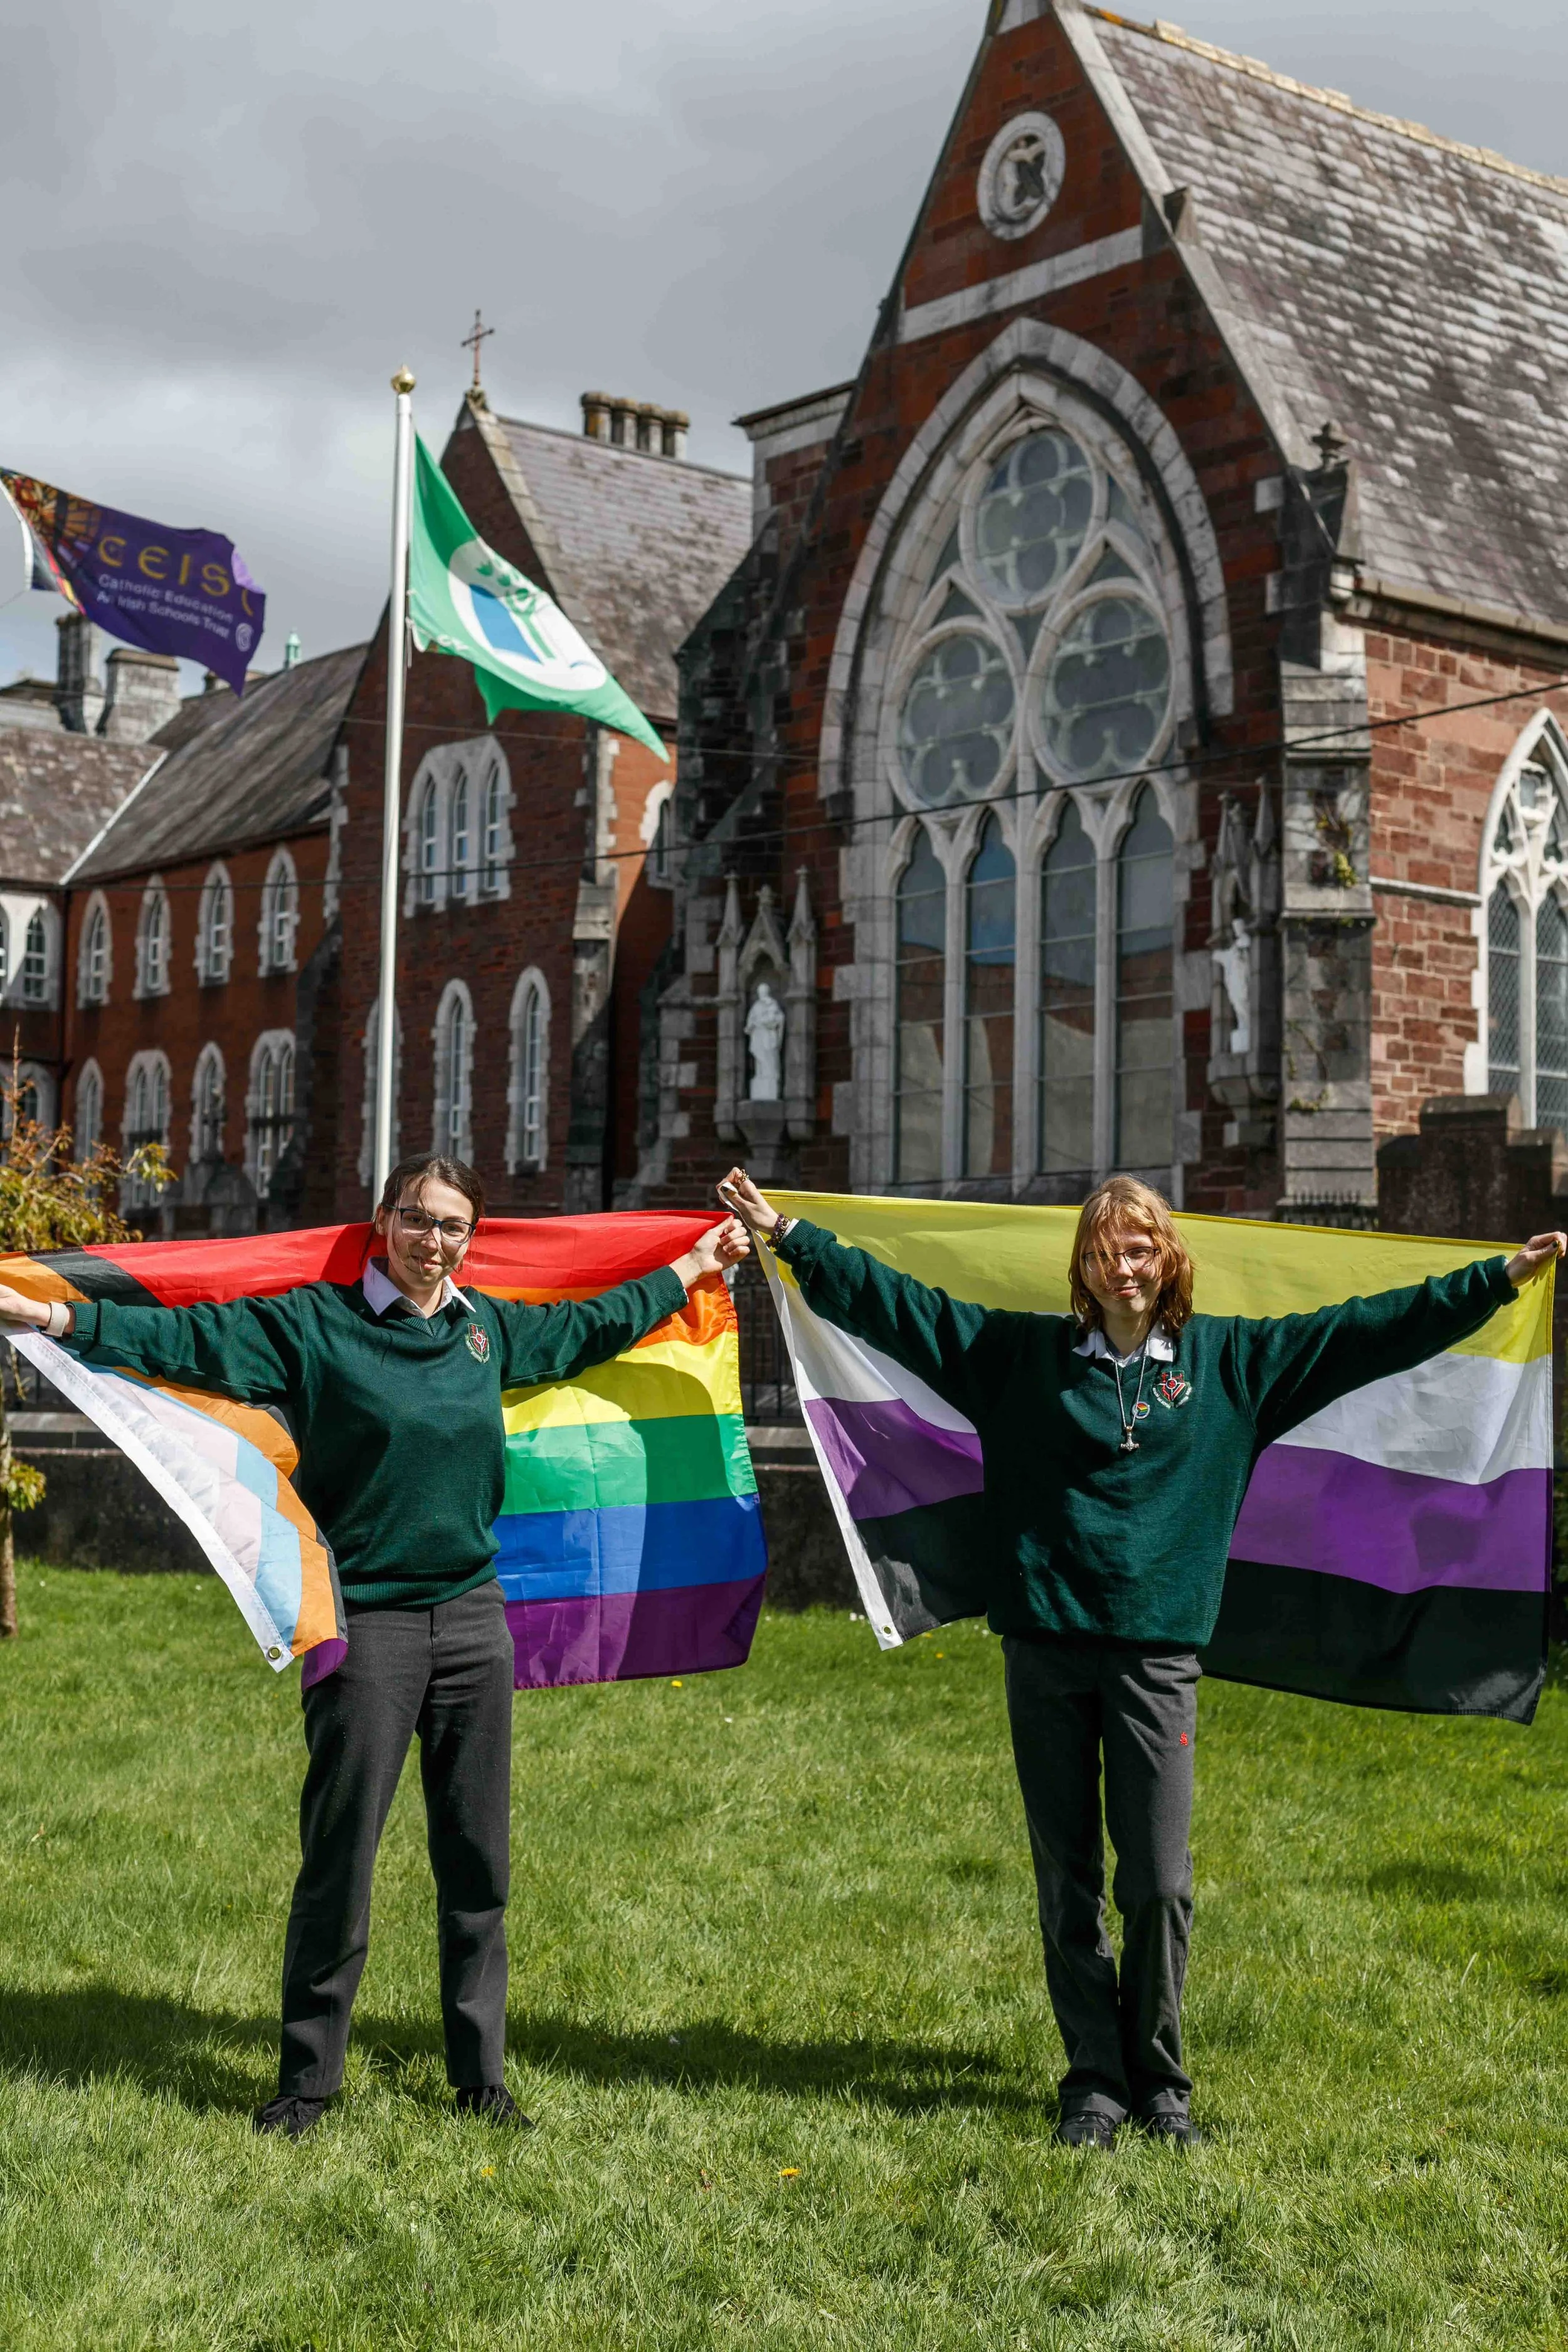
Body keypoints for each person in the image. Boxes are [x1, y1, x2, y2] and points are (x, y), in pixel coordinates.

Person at [718, 1165, 1562, 2150]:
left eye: (1141, 1246)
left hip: (1158, 1661)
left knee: (1158, 1878)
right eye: (1106, 1249)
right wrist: (788, 1232)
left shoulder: (1235, 1367)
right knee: (1067, 1878)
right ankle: (1094, 2080)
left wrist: (1495, 1279)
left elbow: (1365, 1331)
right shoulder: (1018, 1360)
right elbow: (899, 1308)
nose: (1124, 1264)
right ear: (1082, 1266)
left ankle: (1161, 2083)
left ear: (1168, 1260)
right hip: (1045, 1650)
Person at [0, 1153, 750, 2139]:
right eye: (416, 1218)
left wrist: (692, 1265)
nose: (431, 1240)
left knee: (478, 1863)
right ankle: (308, 2084)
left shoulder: (486, 1329)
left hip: (476, 1624)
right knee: (341, 1859)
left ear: (471, 1240)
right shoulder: (314, 1325)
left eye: (451, 1227)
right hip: (369, 1628)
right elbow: (186, 1336)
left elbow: (587, 1328)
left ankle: (481, 2078)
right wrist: (54, 1316)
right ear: (383, 1218)